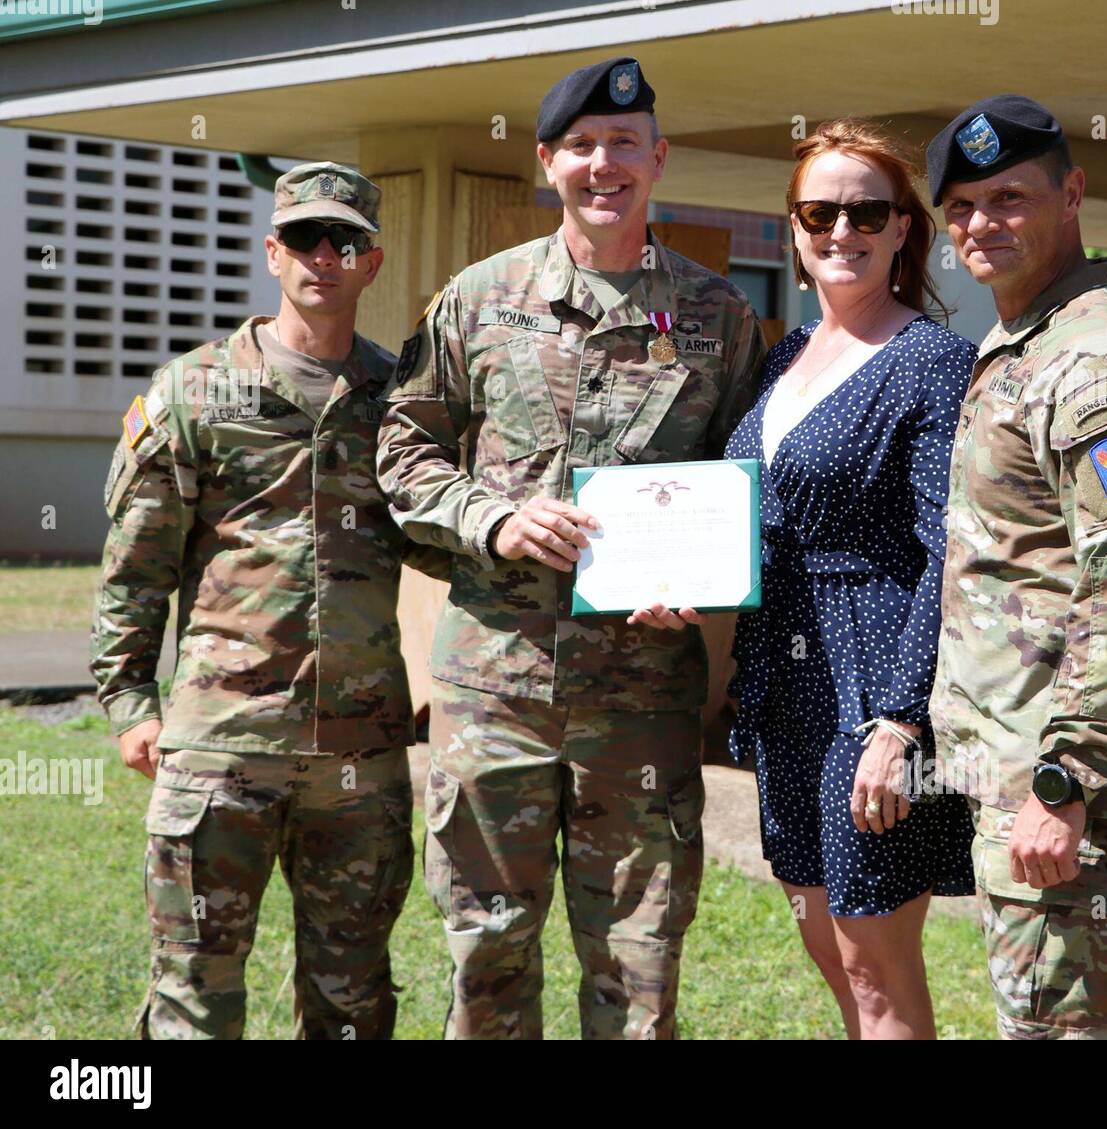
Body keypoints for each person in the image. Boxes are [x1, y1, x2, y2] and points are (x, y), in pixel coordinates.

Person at [378, 56, 766, 1040]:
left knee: (637, 973)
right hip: (495, 689)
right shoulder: (476, 300)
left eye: (625, 144)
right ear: (547, 161)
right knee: (487, 955)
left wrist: (706, 583)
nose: (606, 165)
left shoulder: (719, 316)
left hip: (642, 702)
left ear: (658, 158)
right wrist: (490, 518)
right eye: (583, 146)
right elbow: (400, 450)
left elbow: (747, 482)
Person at [90, 162, 418, 1039]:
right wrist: (129, 703)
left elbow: (453, 535)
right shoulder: (193, 391)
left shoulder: (402, 402)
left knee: (353, 1001)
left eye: (344, 240)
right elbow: (137, 566)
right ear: (273, 253)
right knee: (195, 996)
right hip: (217, 752)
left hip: (358, 759)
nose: (324, 255)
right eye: (305, 238)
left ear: (371, 262)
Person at [925, 95, 1107, 1039]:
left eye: (1008, 198)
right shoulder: (1027, 342)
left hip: (1067, 782)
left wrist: (1065, 780)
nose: (980, 224)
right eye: (960, 207)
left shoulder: (1095, 361)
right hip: (1026, 765)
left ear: (1072, 194)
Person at [725, 119, 977, 1039]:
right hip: (786, 685)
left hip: (873, 692)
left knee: (875, 961)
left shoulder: (932, 362)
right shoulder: (786, 355)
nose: (843, 230)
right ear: (792, 227)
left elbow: (949, 551)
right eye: (819, 211)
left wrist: (903, 720)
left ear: (905, 228)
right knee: (827, 946)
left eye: (868, 210)